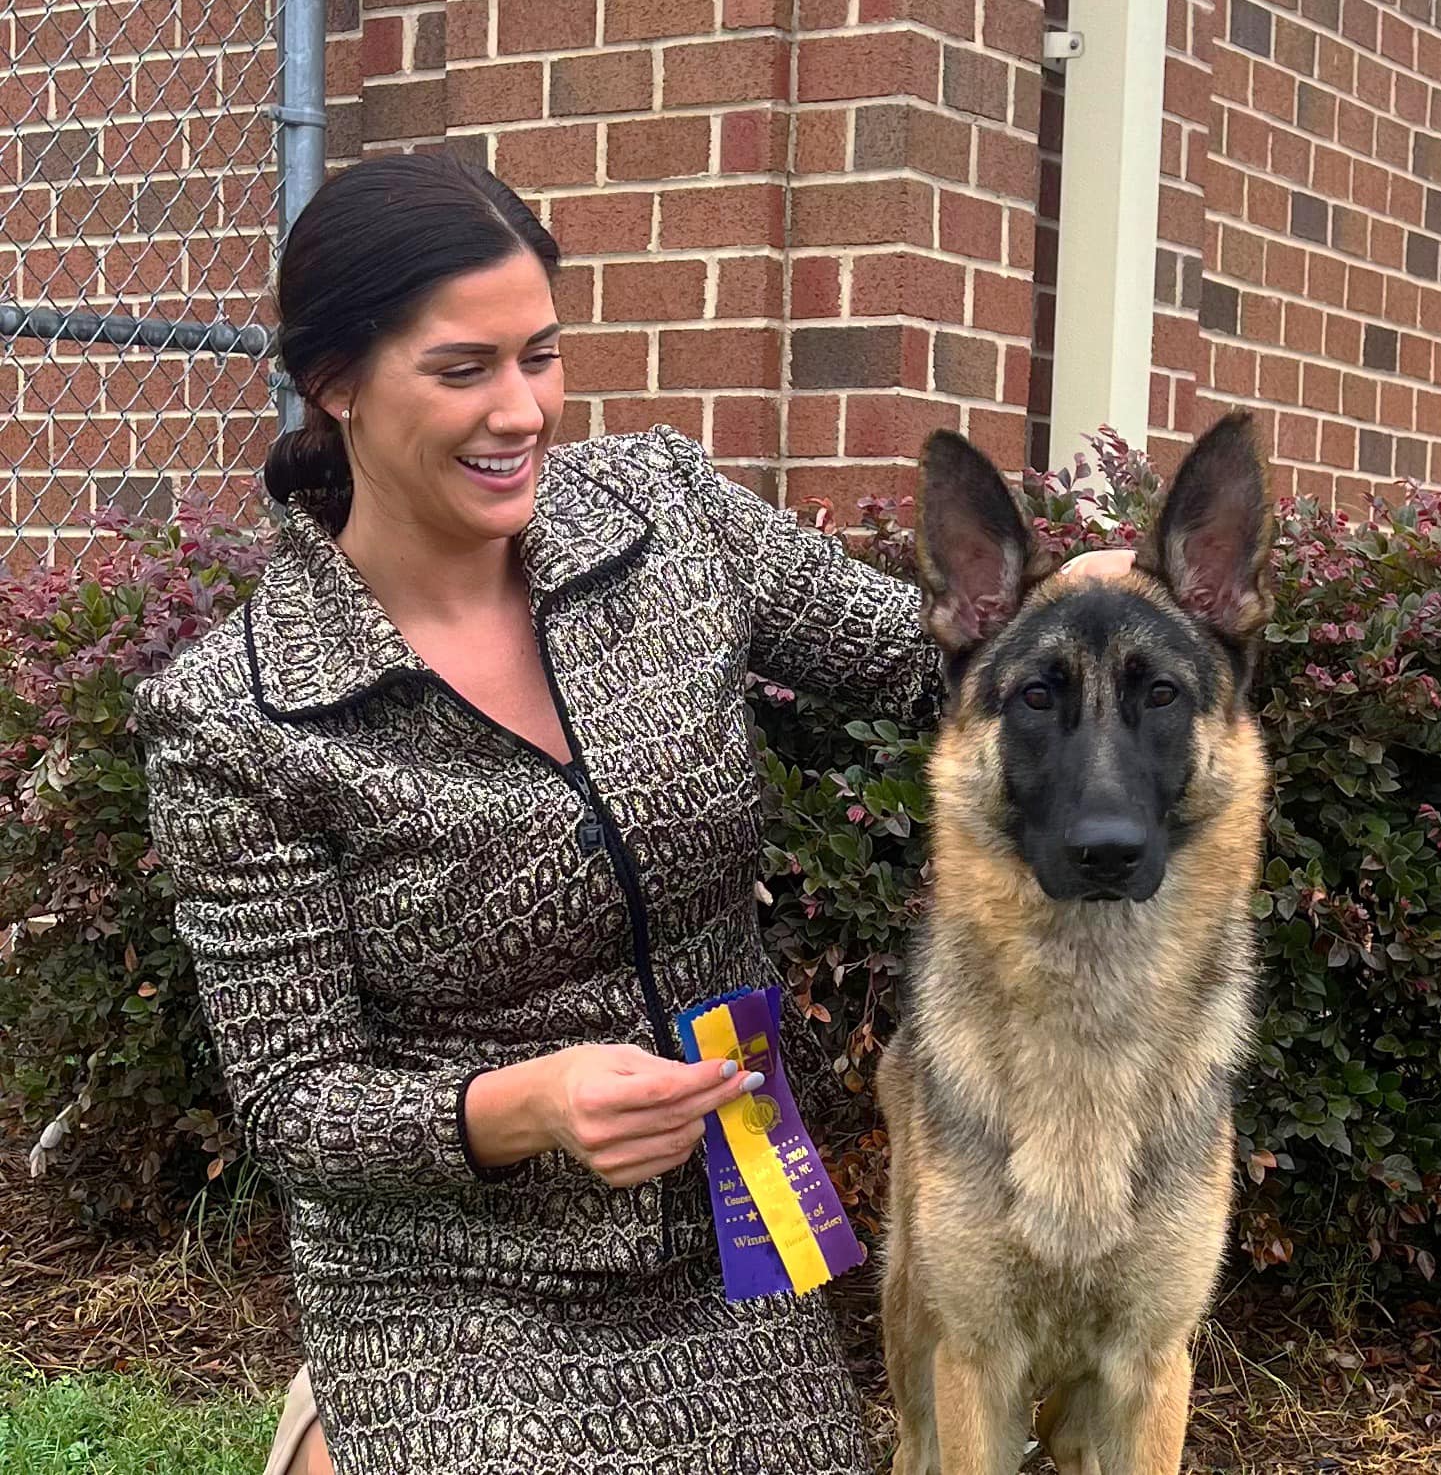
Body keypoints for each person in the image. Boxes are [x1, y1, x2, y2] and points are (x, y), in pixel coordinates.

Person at [133, 152, 945, 1475]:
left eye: (543, 355)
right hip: (451, 1277)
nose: (523, 410)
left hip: (732, 1218)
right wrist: (530, 1103)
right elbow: (297, 1106)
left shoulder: (666, 517)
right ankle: (339, 1421)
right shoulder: (243, 716)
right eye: (465, 370)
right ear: (334, 383)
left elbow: (925, 659)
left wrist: (1088, 614)